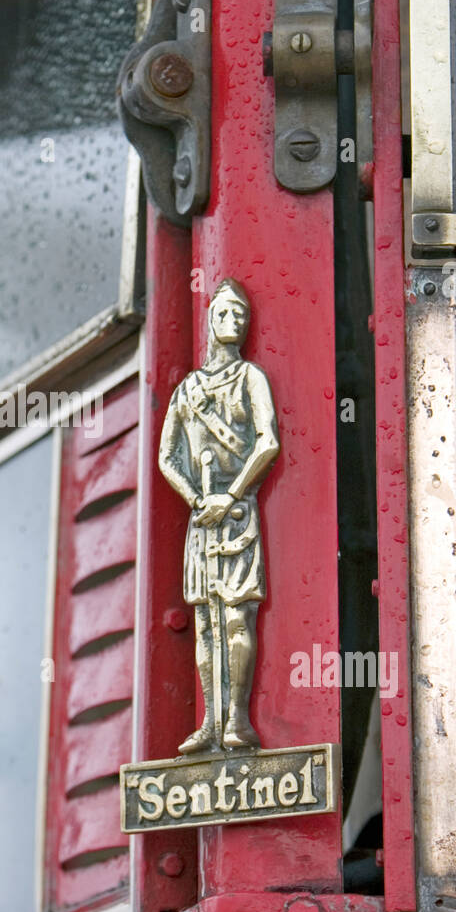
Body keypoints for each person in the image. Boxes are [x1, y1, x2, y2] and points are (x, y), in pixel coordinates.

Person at [159, 279, 280, 755]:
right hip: (203, 520)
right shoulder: (188, 390)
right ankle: (209, 723)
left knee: (235, 618)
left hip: (236, 515)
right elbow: (168, 456)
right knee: (205, 623)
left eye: (241, 316)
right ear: (210, 319)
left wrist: (229, 495)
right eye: (225, 314)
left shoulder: (252, 379)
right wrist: (195, 500)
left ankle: (237, 722)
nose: (234, 323)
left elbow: (267, 440)